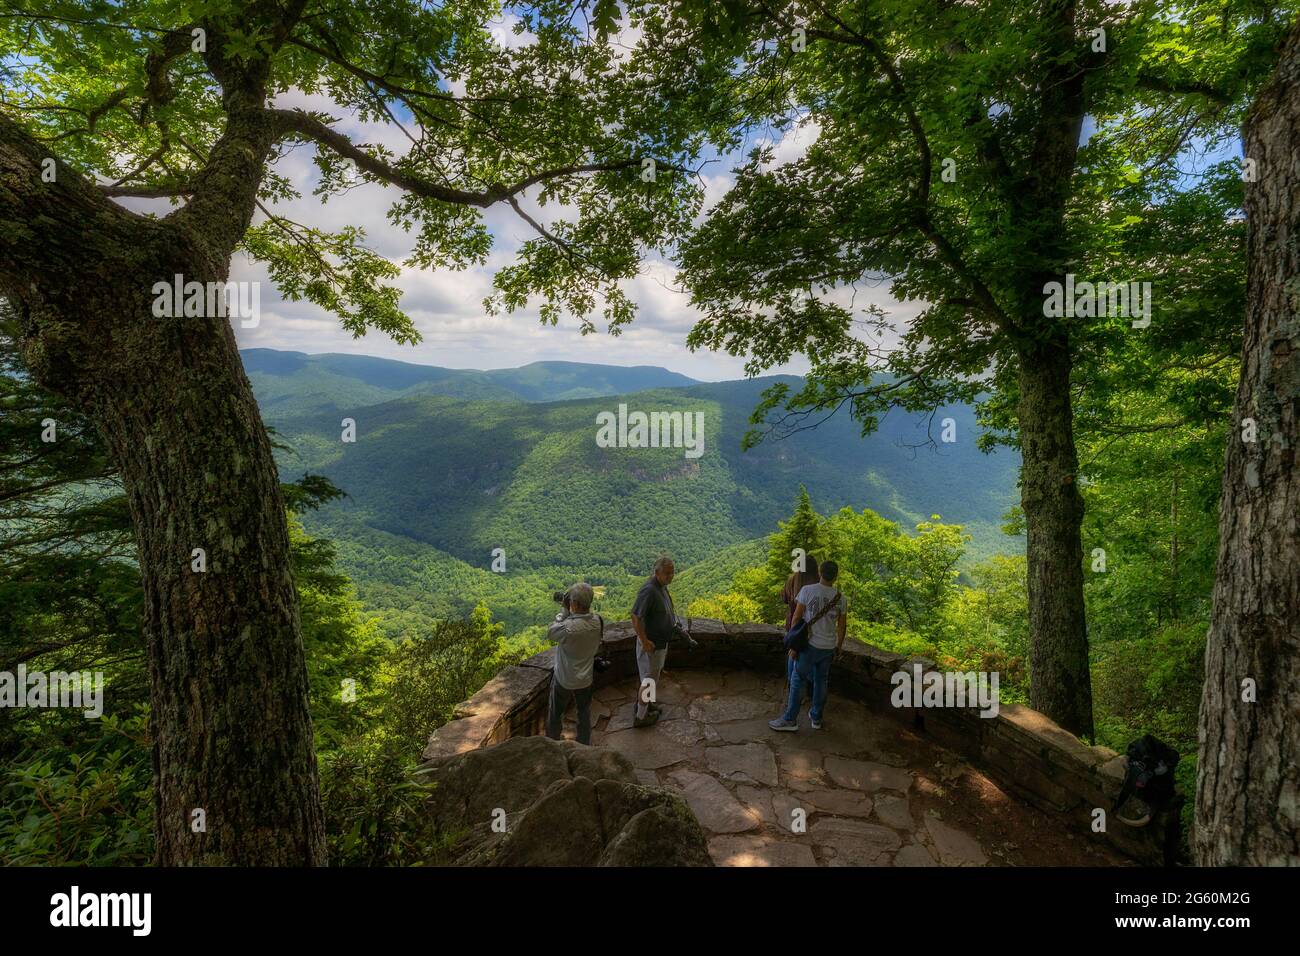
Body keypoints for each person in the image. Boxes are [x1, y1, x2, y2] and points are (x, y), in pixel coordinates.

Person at [770, 559, 847, 732]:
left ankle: (790, 719)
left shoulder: (807, 590)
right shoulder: (841, 598)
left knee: (797, 680)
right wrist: (838, 647)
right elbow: (842, 626)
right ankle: (816, 717)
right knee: (821, 681)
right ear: (835, 576)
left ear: (820, 573)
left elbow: (797, 618)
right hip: (828, 647)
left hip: (809, 645)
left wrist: (794, 643)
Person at [545, 583, 603, 745]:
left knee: (555, 713)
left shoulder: (567, 628)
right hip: (586, 678)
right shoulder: (597, 621)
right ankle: (584, 744)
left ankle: (552, 743)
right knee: (584, 713)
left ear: (575, 604)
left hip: (564, 678)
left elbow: (551, 631)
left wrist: (563, 612)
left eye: (570, 601)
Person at [630, 556, 676, 728]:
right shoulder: (649, 590)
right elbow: (635, 617)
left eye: (672, 573)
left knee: (651, 679)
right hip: (651, 645)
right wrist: (644, 641)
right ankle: (641, 717)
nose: (670, 576)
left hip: (659, 644)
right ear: (657, 572)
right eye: (667, 573)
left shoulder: (661, 587)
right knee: (648, 681)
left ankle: (646, 705)